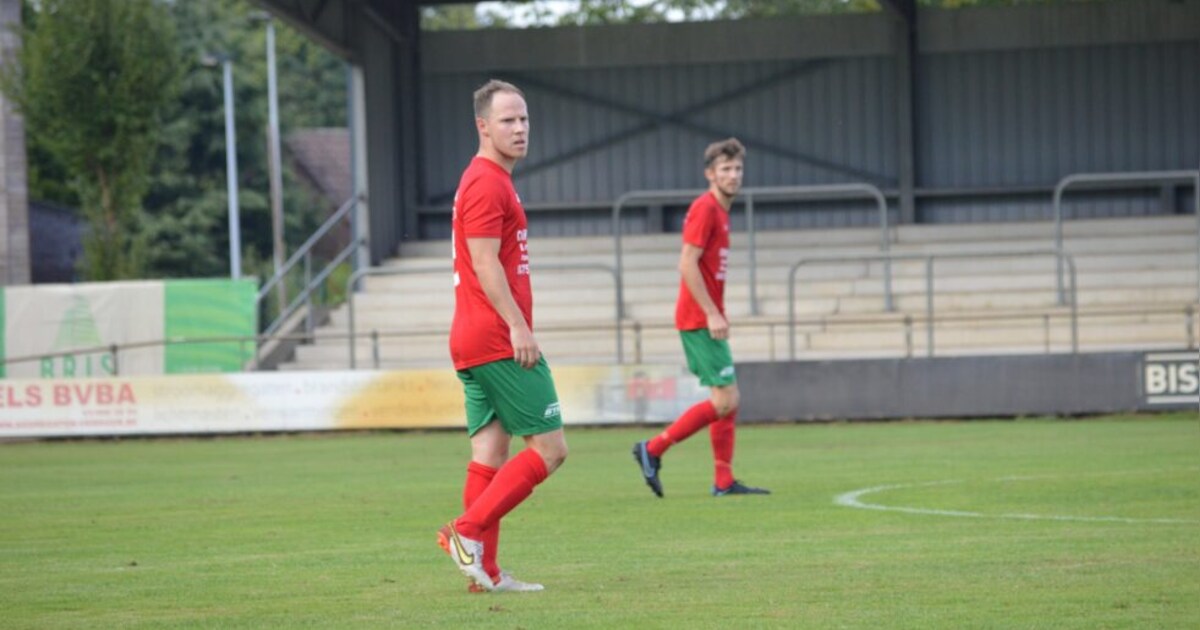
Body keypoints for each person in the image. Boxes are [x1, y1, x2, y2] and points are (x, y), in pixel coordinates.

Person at [436, 79, 568, 593]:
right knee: (551, 450)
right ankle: (464, 533)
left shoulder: (485, 179)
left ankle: (483, 574)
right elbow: (485, 261)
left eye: (524, 119)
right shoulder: (487, 182)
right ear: (482, 126)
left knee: (489, 455)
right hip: (495, 337)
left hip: (472, 336)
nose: (519, 128)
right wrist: (518, 326)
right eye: (508, 120)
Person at [632, 138, 770, 498]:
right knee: (725, 400)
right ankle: (653, 448)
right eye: (725, 169)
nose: (733, 175)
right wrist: (711, 313)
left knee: (728, 398)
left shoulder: (720, 212)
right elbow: (686, 263)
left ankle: (724, 481)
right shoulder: (706, 208)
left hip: (706, 316)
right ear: (710, 174)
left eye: (737, 169)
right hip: (698, 318)